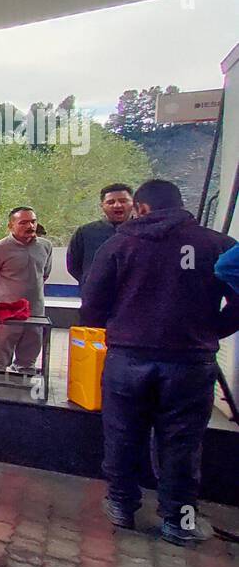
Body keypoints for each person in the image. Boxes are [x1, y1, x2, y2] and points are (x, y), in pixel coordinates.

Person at [82, 179, 239, 544]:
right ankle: (179, 521)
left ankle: (121, 505)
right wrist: (213, 329)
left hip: (128, 359)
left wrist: (121, 327)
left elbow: (91, 307)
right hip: (191, 362)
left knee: (122, 433)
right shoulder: (217, 245)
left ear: (141, 208)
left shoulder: (119, 244)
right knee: (182, 442)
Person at [0, 206, 53, 373]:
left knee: (30, 351)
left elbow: (44, 274)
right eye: (23, 222)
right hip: (7, 311)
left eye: (33, 222)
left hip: (35, 310)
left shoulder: (45, 246)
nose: (30, 226)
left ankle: (25, 376)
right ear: (11, 226)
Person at [67, 183, 134, 287]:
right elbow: (73, 266)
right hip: (95, 293)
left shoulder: (144, 231)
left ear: (133, 203)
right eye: (111, 202)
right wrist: (90, 282)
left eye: (123, 201)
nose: (117, 205)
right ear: (102, 206)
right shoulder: (86, 232)